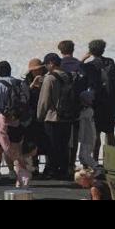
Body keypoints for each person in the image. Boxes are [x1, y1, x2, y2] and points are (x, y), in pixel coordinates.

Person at [36, 52, 79, 180]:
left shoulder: (50, 78)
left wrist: (39, 116)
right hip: (67, 117)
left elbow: (44, 100)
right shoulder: (69, 76)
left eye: (46, 64)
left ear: (51, 63)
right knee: (64, 144)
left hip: (53, 117)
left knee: (52, 145)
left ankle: (51, 170)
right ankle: (64, 169)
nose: (45, 67)